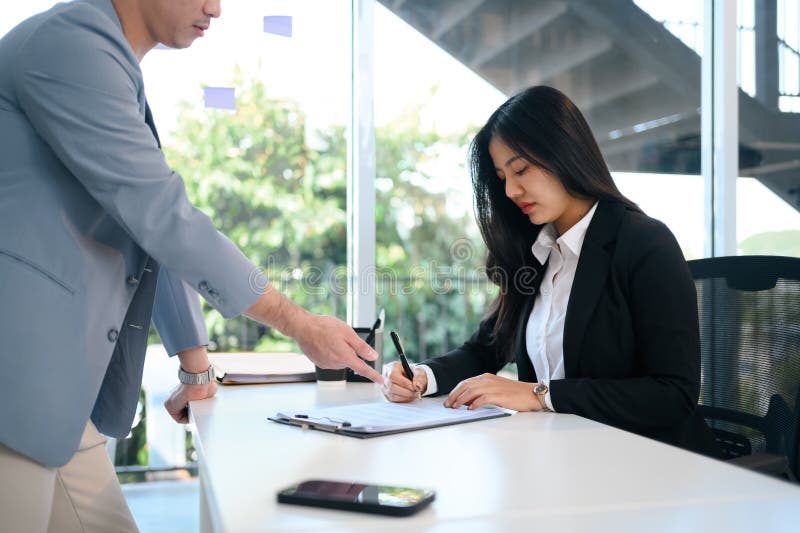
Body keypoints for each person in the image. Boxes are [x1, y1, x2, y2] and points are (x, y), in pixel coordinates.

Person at [0, 0, 382, 530]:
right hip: (16, 378)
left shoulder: (106, 60)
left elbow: (148, 231)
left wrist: (195, 365)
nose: (216, 8)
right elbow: (162, 216)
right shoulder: (72, 43)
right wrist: (300, 323)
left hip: (55, 395)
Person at [383, 85, 721, 459]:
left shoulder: (644, 244)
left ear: (564, 152)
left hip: (647, 465)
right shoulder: (535, 251)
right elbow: (487, 349)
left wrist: (538, 394)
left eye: (521, 169)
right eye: (502, 178)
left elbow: (673, 394)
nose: (511, 190)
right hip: (562, 456)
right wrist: (421, 377)